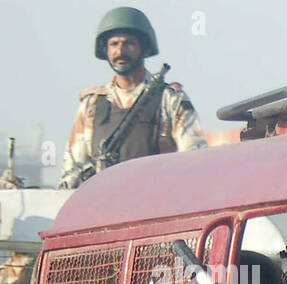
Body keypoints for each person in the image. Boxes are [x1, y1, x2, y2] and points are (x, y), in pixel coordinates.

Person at [60, 7, 206, 190]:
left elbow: (194, 162)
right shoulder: (92, 105)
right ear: (105, 50)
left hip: (154, 204)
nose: (120, 51)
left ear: (144, 49)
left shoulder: (169, 99)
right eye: (114, 44)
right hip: (102, 206)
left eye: (128, 44)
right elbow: (72, 169)